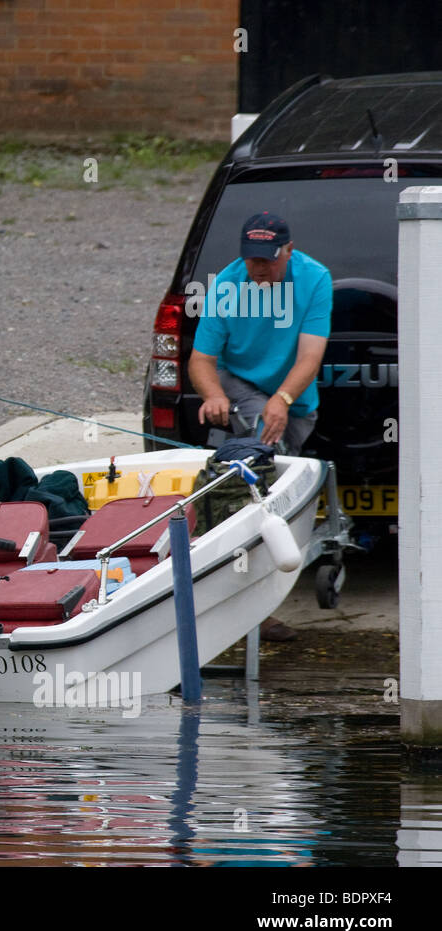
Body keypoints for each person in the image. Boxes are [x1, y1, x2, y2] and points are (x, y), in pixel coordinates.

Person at [188, 211, 331, 642]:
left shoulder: (315, 279)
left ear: (288, 250)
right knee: (254, 469)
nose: (259, 269)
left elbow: (310, 356)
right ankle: (243, 602)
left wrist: (283, 399)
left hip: (293, 397)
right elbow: (201, 361)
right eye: (252, 260)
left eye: (268, 260)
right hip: (239, 385)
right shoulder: (228, 284)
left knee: (266, 474)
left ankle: (251, 594)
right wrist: (213, 395)